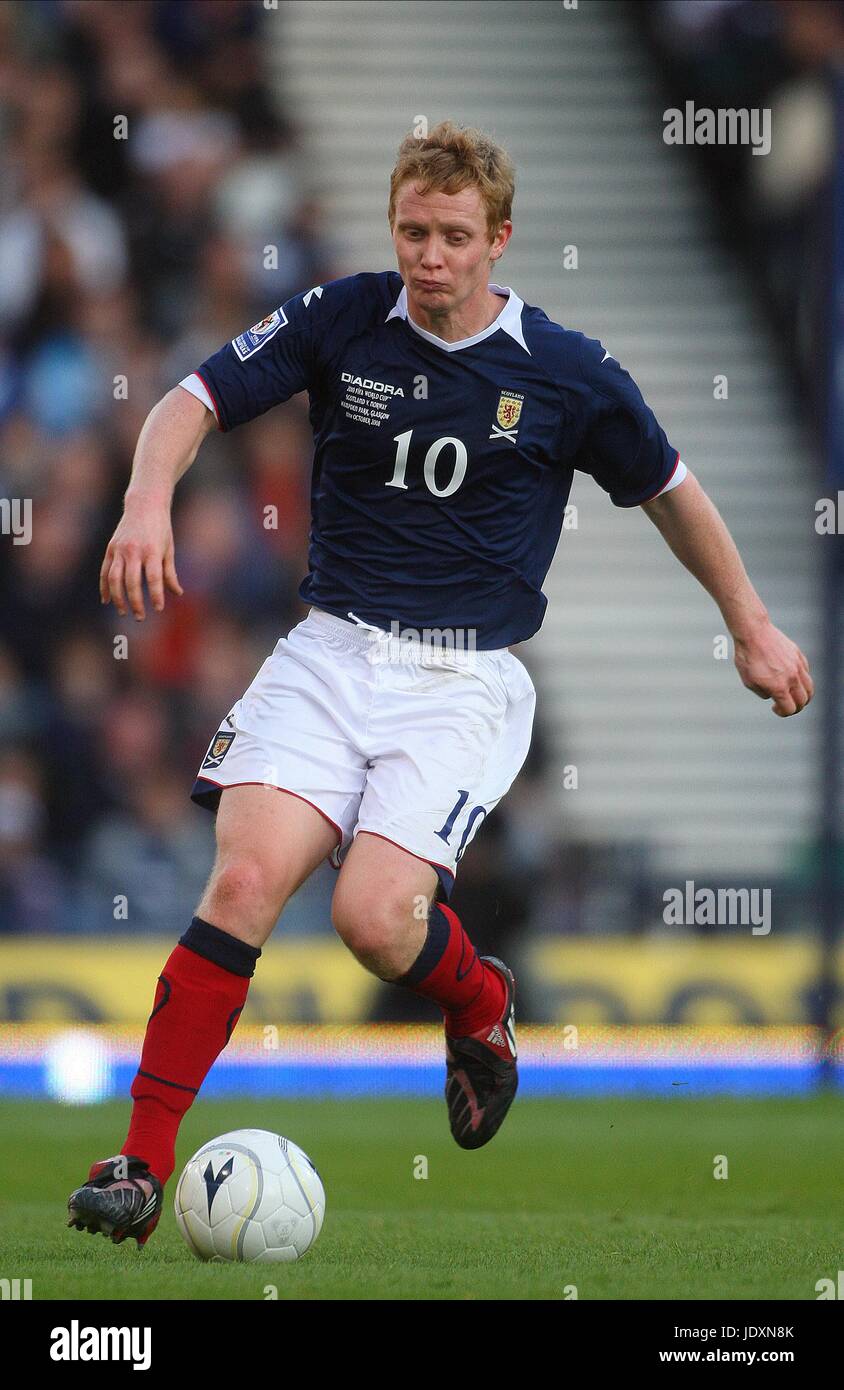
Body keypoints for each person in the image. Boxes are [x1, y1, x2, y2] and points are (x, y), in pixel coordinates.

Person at [67, 120, 814, 1248]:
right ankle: (139, 1163)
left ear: (498, 240)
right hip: (329, 652)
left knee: (376, 922)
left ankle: (480, 1003)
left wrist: (749, 625)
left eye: (453, 236)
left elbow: (670, 488)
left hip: (462, 682)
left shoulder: (566, 372)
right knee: (242, 884)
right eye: (412, 230)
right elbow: (190, 401)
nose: (427, 256)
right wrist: (143, 498)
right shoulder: (344, 317)